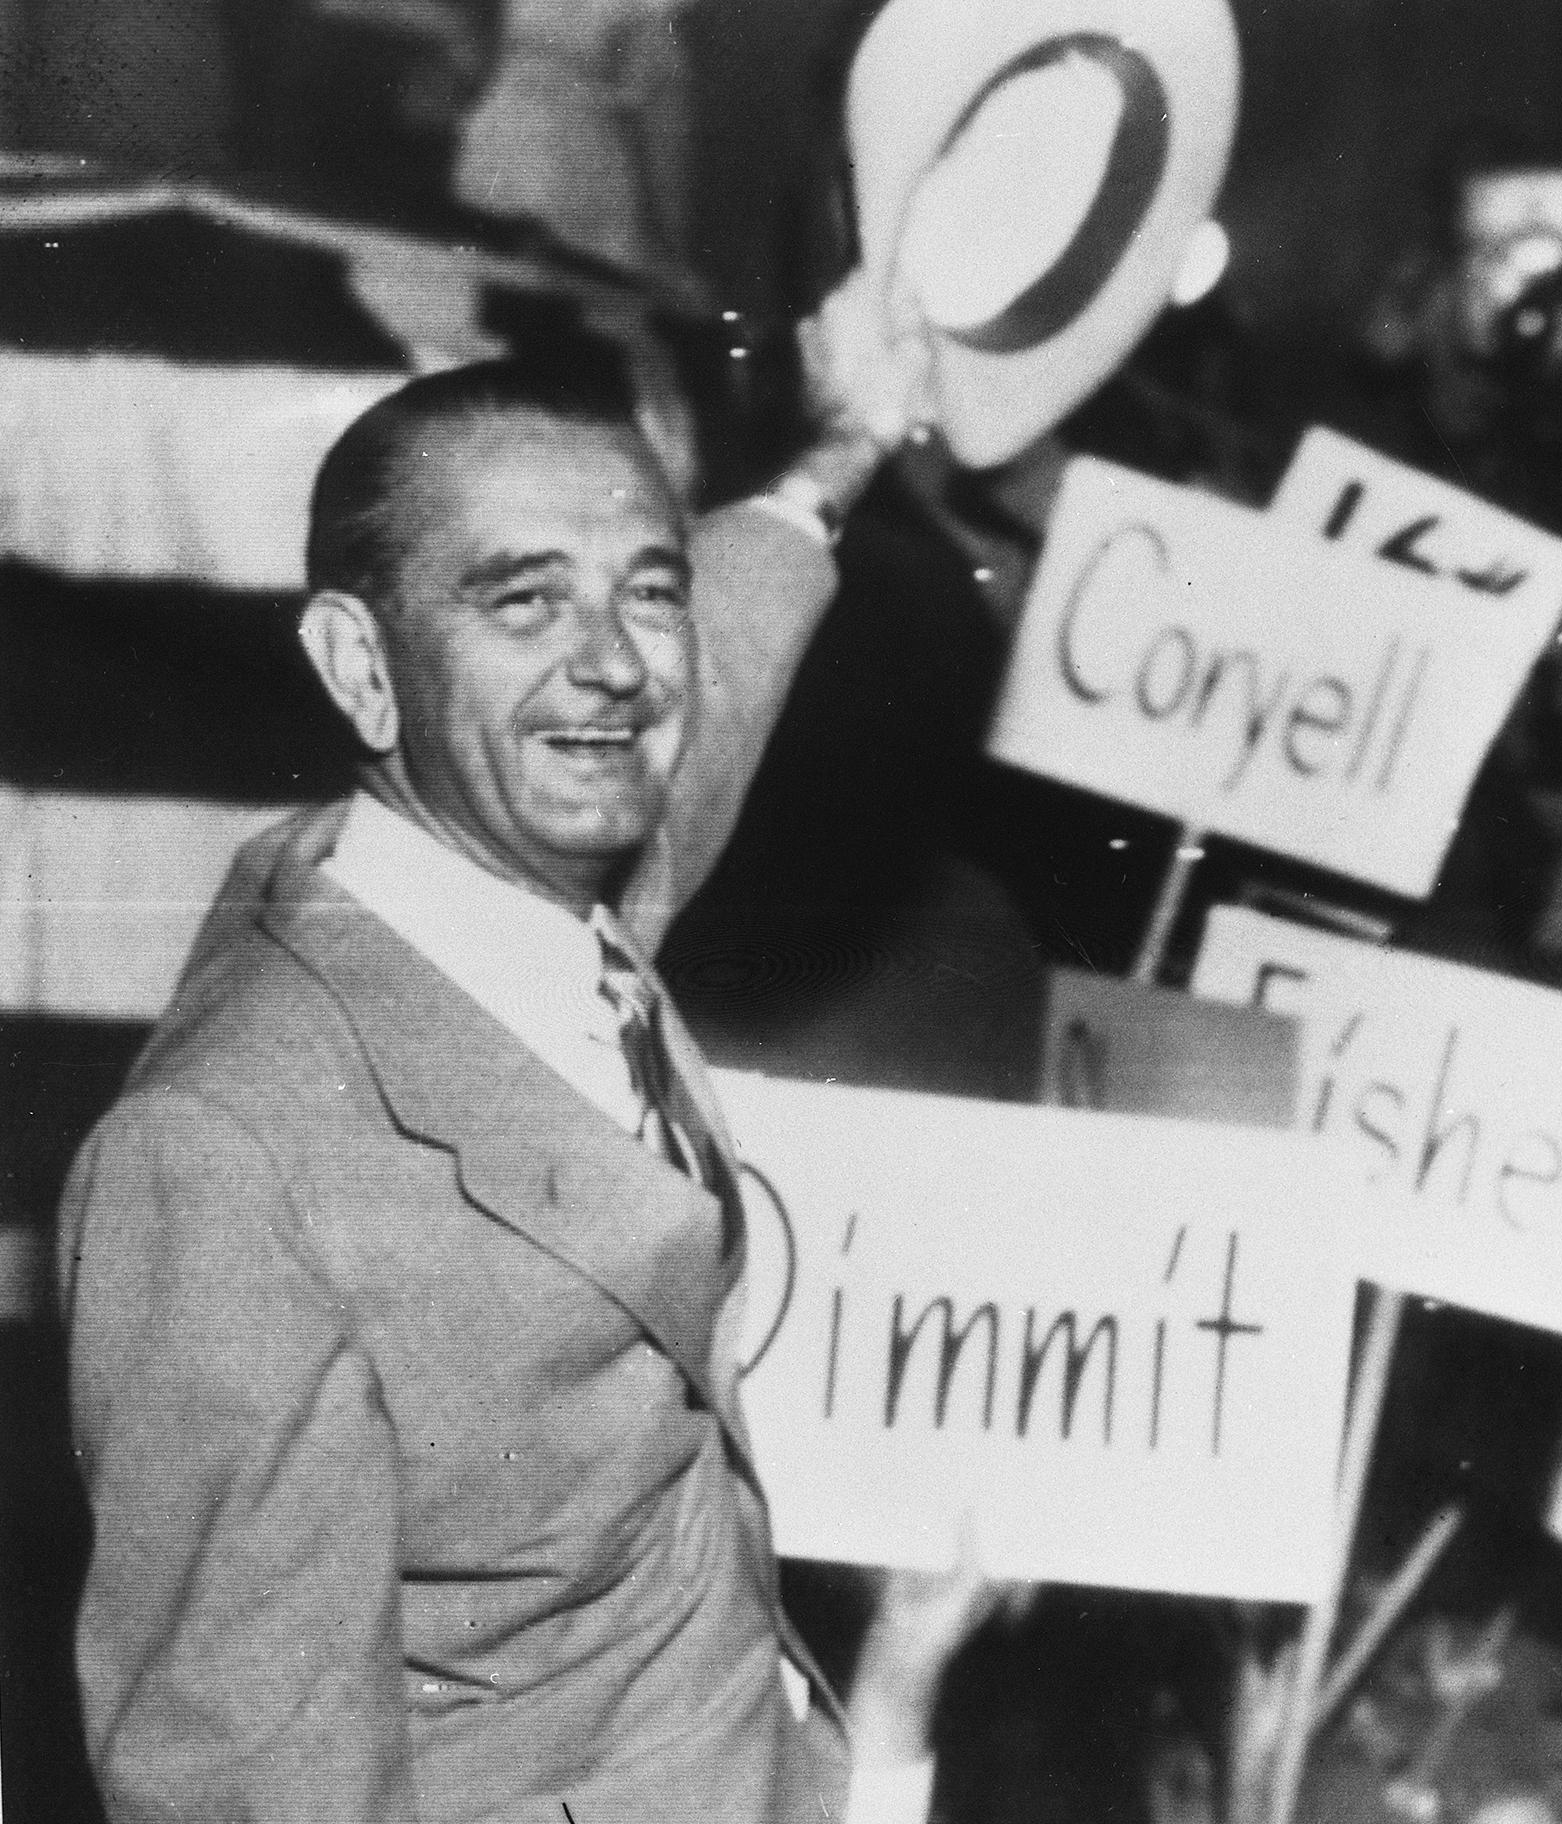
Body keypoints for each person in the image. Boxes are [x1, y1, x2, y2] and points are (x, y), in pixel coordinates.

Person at [54, 276, 989, 1819]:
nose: (616, 663)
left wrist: (842, 447)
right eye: (525, 599)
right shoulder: (227, 1164)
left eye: (647, 588)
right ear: (360, 669)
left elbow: (726, 665)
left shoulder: (543, 868)